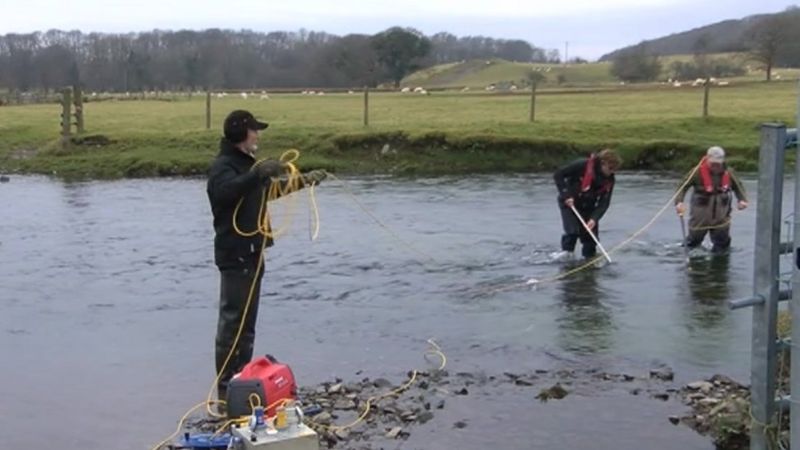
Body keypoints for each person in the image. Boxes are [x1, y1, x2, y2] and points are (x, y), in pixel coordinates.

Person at [206, 110, 326, 405]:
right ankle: (225, 386)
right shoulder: (223, 167)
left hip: (254, 251)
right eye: (254, 130)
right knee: (233, 321)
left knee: (247, 324)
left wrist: (304, 181)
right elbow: (222, 194)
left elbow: (266, 191)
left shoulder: (246, 167)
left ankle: (241, 376)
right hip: (235, 254)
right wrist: (255, 175)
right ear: (240, 134)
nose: (258, 135)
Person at [675, 146, 747, 253]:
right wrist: (679, 202)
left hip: (721, 215)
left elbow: (738, 187)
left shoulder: (729, 173)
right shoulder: (696, 172)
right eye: (713, 163)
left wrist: (742, 200)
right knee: (693, 241)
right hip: (700, 214)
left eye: (718, 163)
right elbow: (682, 186)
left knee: (722, 243)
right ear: (707, 159)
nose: (716, 166)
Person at [553, 149, 622, 259]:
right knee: (572, 232)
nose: (612, 172)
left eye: (615, 170)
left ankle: (589, 261)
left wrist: (594, 219)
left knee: (591, 239)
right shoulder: (582, 165)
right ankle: (566, 257)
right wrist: (566, 195)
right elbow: (558, 175)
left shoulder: (610, 180)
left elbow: (604, 202)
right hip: (570, 203)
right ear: (603, 163)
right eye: (610, 168)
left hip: (589, 207)